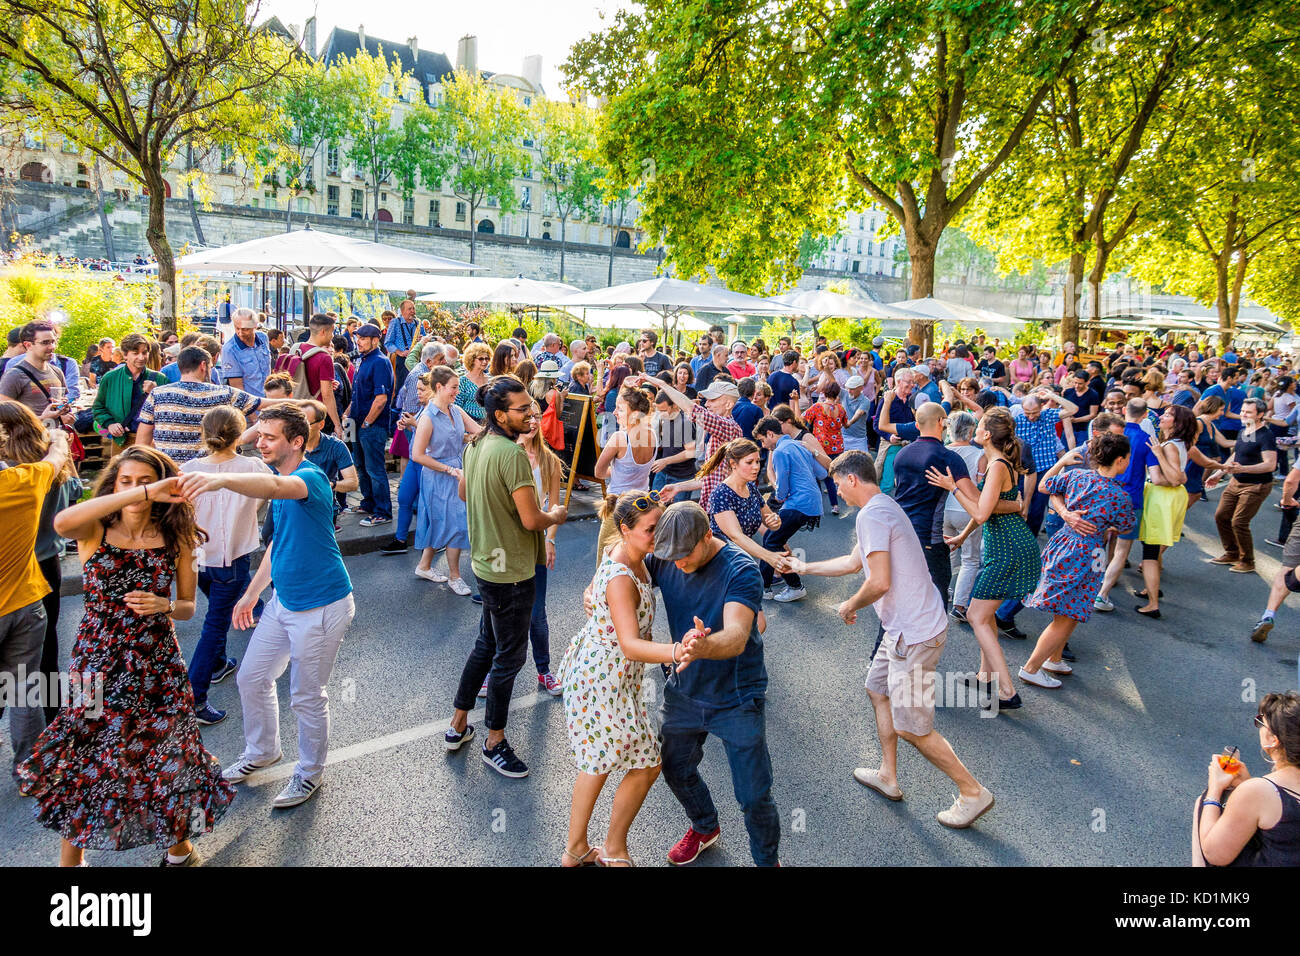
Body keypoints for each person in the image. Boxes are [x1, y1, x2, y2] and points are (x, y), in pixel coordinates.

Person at [20, 445, 234, 866]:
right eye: (126, 481)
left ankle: (179, 850)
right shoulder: (95, 528)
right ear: (114, 485)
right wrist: (140, 492)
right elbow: (61, 521)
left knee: (169, 752)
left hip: (157, 662)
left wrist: (165, 606)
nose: (136, 489)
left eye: (145, 481)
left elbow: (189, 606)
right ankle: (71, 861)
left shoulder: (177, 534)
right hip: (98, 659)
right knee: (88, 754)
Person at [789, 450, 995, 828]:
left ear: (852, 479)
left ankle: (972, 792)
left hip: (914, 634)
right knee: (877, 687)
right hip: (903, 629)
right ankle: (888, 775)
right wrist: (804, 566)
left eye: (837, 484)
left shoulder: (872, 514)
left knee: (914, 728)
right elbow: (855, 563)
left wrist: (849, 604)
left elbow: (878, 581)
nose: (837, 491)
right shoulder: (882, 506)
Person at [178, 405, 356, 810]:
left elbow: (275, 490)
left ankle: (309, 773)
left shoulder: (306, 478)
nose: (260, 442)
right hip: (283, 603)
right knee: (252, 678)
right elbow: (279, 544)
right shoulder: (279, 478)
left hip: (323, 608)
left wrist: (217, 479)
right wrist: (253, 592)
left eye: (269, 437)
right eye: (258, 435)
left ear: (296, 442)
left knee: (307, 695)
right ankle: (262, 752)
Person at [630, 502, 776, 866]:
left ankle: (766, 860)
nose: (677, 563)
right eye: (671, 556)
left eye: (685, 555)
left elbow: (739, 634)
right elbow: (623, 567)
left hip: (737, 696)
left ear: (708, 535)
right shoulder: (666, 556)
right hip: (685, 690)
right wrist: (597, 591)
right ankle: (704, 825)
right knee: (674, 768)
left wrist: (705, 646)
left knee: (754, 795)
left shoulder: (740, 570)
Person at [442, 378, 568, 778]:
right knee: (508, 658)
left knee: (486, 645)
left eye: (532, 407)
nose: (532, 415)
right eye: (523, 410)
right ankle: (494, 742)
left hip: (486, 565)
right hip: (511, 570)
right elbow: (532, 519)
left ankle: (458, 724)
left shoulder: (475, 445)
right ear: (500, 415)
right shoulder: (511, 454)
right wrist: (556, 516)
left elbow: (464, 494)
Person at [558, 493, 684, 867]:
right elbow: (629, 645)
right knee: (640, 763)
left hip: (614, 676)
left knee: (600, 761)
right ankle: (604, 849)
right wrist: (677, 652)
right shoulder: (621, 574)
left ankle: (580, 850)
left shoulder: (632, 553)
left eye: (659, 526)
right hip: (603, 678)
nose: (657, 534)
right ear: (625, 529)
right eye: (650, 529)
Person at [926, 407, 1033, 710]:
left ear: (986, 434)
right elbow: (989, 506)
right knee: (983, 615)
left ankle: (1008, 691)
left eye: (981, 424)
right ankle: (986, 676)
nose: (976, 427)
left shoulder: (998, 465)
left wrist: (952, 488)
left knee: (975, 616)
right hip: (1009, 545)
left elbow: (981, 511)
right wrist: (962, 536)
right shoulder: (999, 462)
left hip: (1008, 549)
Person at [1018, 434, 1134, 687]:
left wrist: (1065, 511)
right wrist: (1105, 525)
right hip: (1087, 553)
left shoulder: (1077, 476)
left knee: (1069, 610)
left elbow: (1045, 487)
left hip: (1062, 543)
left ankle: (1054, 659)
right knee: (1067, 615)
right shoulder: (1119, 496)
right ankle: (1031, 668)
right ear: (1121, 460)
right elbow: (1126, 527)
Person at [180, 406, 272, 725]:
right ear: (240, 434)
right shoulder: (252, 466)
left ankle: (218, 662)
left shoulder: (189, 467)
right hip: (232, 556)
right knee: (215, 624)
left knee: (215, 616)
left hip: (198, 556)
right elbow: (269, 494)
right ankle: (195, 696)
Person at [0, 422, 69, 780]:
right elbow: (57, 457)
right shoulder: (22, 481)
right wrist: (55, 433)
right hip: (25, 601)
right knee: (25, 690)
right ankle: (31, 770)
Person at [891, 402, 982, 613]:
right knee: (936, 603)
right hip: (928, 539)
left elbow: (901, 490)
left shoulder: (902, 454)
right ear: (941, 423)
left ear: (916, 424)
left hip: (899, 532)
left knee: (902, 597)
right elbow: (976, 500)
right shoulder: (948, 457)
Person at [1193, 692, 1300, 866]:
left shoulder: (1258, 792)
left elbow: (1214, 854)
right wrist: (1246, 785)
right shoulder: (1260, 791)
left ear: (1273, 740)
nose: (1258, 727)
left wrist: (1214, 790)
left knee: (1205, 802)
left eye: (1260, 723)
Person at [411, 367, 481, 593]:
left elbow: (479, 431)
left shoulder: (456, 410)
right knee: (456, 524)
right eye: (454, 387)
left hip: (457, 472)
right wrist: (450, 470)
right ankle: (454, 576)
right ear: (439, 387)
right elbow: (418, 455)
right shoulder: (428, 417)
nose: (457, 391)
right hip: (439, 476)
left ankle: (424, 565)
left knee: (443, 521)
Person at [136, 346, 263, 464]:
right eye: (210, 367)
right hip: (209, 474)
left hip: (170, 473)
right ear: (203, 365)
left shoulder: (157, 394)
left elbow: (142, 442)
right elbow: (262, 403)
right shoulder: (223, 393)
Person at [517, 398, 566, 697]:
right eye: (526, 416)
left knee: (537, 612)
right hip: (508, 545)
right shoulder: (508, 455)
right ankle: (490, 672)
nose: (532, 421)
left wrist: (550, 539)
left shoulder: (549, 460)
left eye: (536, 416)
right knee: (500, 613)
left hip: (536, 542)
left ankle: (544, 671)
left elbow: (555, 505)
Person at [753, 415, 825, 602]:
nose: (762, 445)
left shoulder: (779, 451)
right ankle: (771, 587)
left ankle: (784, 587)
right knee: (772, 539)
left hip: (798, 503)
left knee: (771, 541)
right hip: (811, 501)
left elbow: (782, 487)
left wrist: (778, 496)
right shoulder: (797, 445)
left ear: (770, 434)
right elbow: (821, 473)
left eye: (762, 440)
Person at [1133, 405, 1196, 618]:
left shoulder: (1168, 446)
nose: (1162, 417)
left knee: (1150, 550)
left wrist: (1158, 453)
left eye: (1168, 415)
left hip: (1162, 498)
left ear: (1178, 423)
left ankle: (1152, 604)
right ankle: (1152, 588)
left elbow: (1176, 477)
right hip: (1166, 497)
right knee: (1154, 547)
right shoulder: (1177, 443)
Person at [1208, 398, 1276, 574]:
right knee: (1221, 516)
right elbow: (1238, 454)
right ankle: (1232, 553)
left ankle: (1248, 561)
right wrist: (1220, 472)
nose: (1243, 415)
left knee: (1239, 522)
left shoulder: (1266, 436)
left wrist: (1243, 468)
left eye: (1248, 412)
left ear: (1260, 415)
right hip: (1235, 482)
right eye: (1243, 411)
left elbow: (1270, 465)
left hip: (1256, 485)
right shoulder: (1245, 430)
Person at [701, 438, 785, 576]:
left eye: (757, 461)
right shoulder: (721, 494)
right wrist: (769, 556)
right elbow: (736, 536)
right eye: (749, 462)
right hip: (720, 564)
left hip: (740, 560)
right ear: (733, 464)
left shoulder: (751, 487)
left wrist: (776, 520)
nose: (756, 467)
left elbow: (771, 521)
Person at [594, 386, 658, 565]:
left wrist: (616, 471)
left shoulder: (619, 438)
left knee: (605, 561)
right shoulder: (653, 435)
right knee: (635, 560)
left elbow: (598, 472)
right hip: (642, 505)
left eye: (620, 409)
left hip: (618, 506)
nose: (614, 412)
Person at [1011, 389, 1080, 534]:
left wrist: (1052, 396)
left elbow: (1073, 409)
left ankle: (1032, 538)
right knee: (1021, 505)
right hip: (1024, 471)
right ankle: (1020, 536)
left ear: (1041, 407)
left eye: (1034, 412)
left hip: (1045, 470)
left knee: (1038, 509)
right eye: (1027, 412)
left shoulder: (1048, 416)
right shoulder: (1017, 421)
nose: (1030, 416)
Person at [941, 411, 987, 623]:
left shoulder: (943, 450)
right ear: (970, 431)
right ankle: (960, 604)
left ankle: (945, 592)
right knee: (970, 559)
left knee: (948, 554)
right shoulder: (979, 455)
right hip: (966, 509)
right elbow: (980, 487)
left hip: (944, 510)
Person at [90, 333, 167, 456]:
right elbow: (98, 408)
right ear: (125, 355)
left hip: (152, 442)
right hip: (122, 440)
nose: (141, 357)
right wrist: (110, 423)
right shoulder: (110, 378)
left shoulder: (160, 378)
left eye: (144, 352)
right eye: (135, 353)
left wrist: (156, 392)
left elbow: (170, 411)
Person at [349, 323, 394, 527]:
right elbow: (358, 394)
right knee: (360, 465)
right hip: (357, 423)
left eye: (363, 338)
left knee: (375, 469)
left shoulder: (380, 362)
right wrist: (348, 413)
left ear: (375, 340)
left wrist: (367, 422)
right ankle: (368, 503)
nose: (359, 341)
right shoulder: (362, 360)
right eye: (357, 337)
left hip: (372, 426)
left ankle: (383, 512)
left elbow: (381, 398)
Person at [276, 313, 343, 433]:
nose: (332, 336)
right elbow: (327, 395)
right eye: (332, 332)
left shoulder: (296, 348)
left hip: (294, 410)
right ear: (323, 332)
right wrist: (337, 425)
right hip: (314, 414)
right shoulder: (324, 357)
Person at [0, 321, 74, 429]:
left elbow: (61, 402)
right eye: (45, 342)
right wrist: (42, 418)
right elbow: (4, 417)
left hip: (54, 439)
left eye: (53, 342)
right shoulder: (14, 375)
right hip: (27, 442)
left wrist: (65, 408)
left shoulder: (57, 372)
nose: (51, 347)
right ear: (28, 345)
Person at [803, 381, 849, 514]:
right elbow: (846, 424)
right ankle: (835, 505)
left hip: (821, 447)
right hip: (838, 446)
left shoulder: (817, 407)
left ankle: (817, 504)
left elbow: (803, 417)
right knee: (832, 475)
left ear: (824, 392)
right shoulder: (841, 409)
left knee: (817, 475)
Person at [650, 389, 697, 496]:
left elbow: (691, 452)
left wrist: (666, 461)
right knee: (653, 505)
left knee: (677, 511)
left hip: (681, 477)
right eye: (659, 410)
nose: (661, 414)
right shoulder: (666, 418)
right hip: (663, 473)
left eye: (663, 410)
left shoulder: (685, 423)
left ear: (675, 405)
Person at [219, 308, 272, 398]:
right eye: (237, 328)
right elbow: (237, 388)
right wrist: (251, 411)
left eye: (245, 329)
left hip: (269, 400)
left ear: (255, 326)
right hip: (251, 405)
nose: (240, 333)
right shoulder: (229, 350)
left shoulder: (263, 338)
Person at [384, 299, 420, 396]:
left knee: (415, 388)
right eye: (410, 309)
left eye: (413, 308)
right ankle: (397, 409)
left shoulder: (418, 323)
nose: (413, 311)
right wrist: (400, 352)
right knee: (401, 389)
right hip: (402, 359)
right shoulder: (395, 322)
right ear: (403, 311)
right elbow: (388, 343)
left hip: (416, 360)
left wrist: (422, 339)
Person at [456, 342, 493, 423]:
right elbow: (456, 408)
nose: (485, 361)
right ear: (472, 360)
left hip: (488, 423)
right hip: (468, 423)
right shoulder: (463, 381)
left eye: (487, 358)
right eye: (481, 359)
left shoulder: (491, 380)